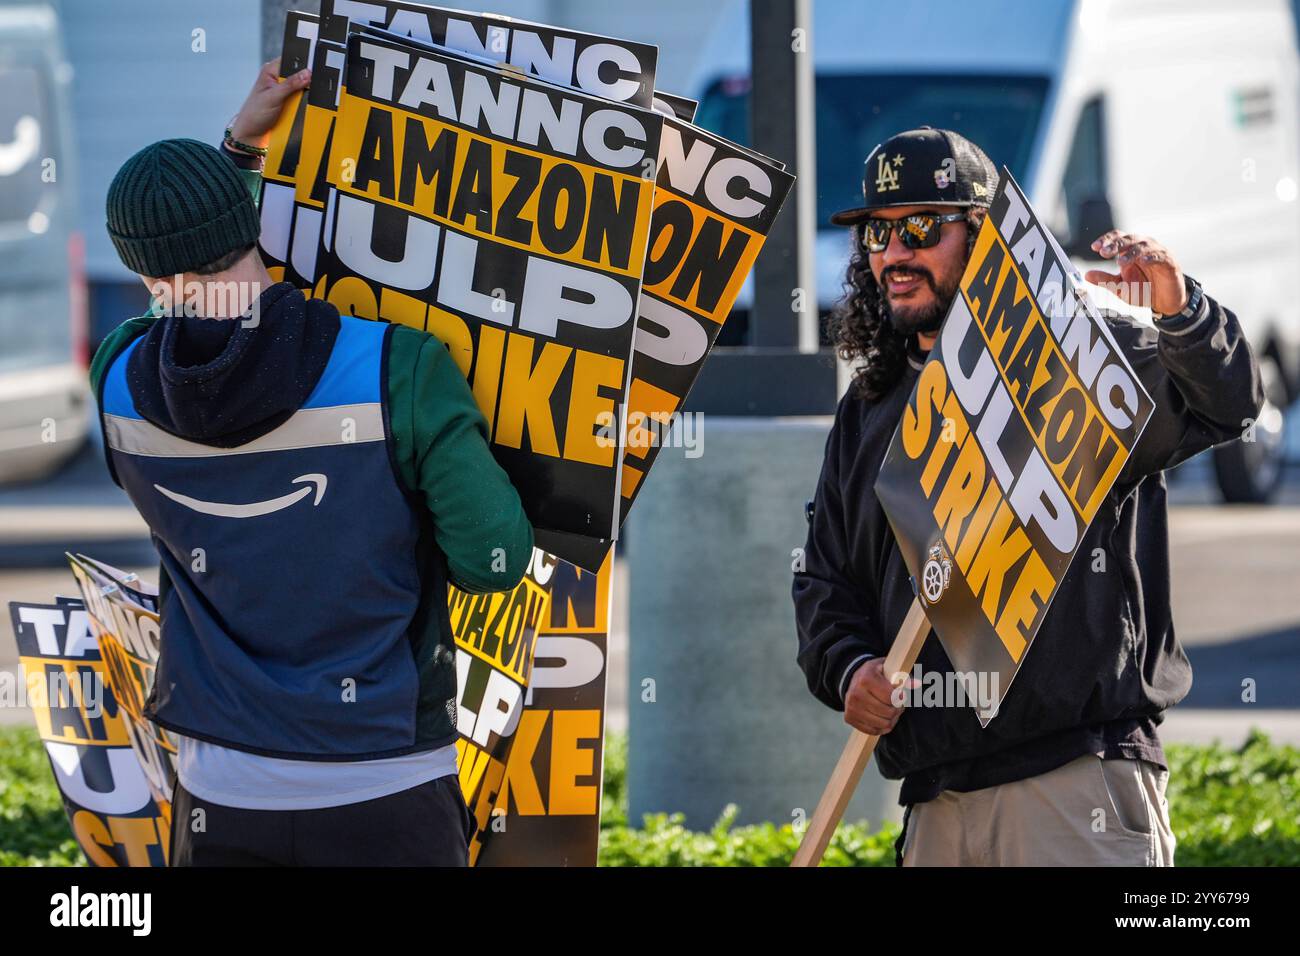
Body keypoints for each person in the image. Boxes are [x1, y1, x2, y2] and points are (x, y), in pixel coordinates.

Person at [89, 60, 534, 866]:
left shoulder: (116, 383)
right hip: (389, 789)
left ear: (142, 273)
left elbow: (197, 293)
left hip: (218, 801)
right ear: (246, 224)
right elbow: (495, 563)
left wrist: (236, 153)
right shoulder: (399, 366)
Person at [793, 126, 1264, 866]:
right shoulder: (870, 407)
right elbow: (825, 583)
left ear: (984, 239)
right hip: (934, 803)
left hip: (1077, 790)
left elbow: (1227, 402)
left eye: (921, 228)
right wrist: (851, 669)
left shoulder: (1081, 356)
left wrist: (1179, 309)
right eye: (877, 235)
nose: (894, 254)